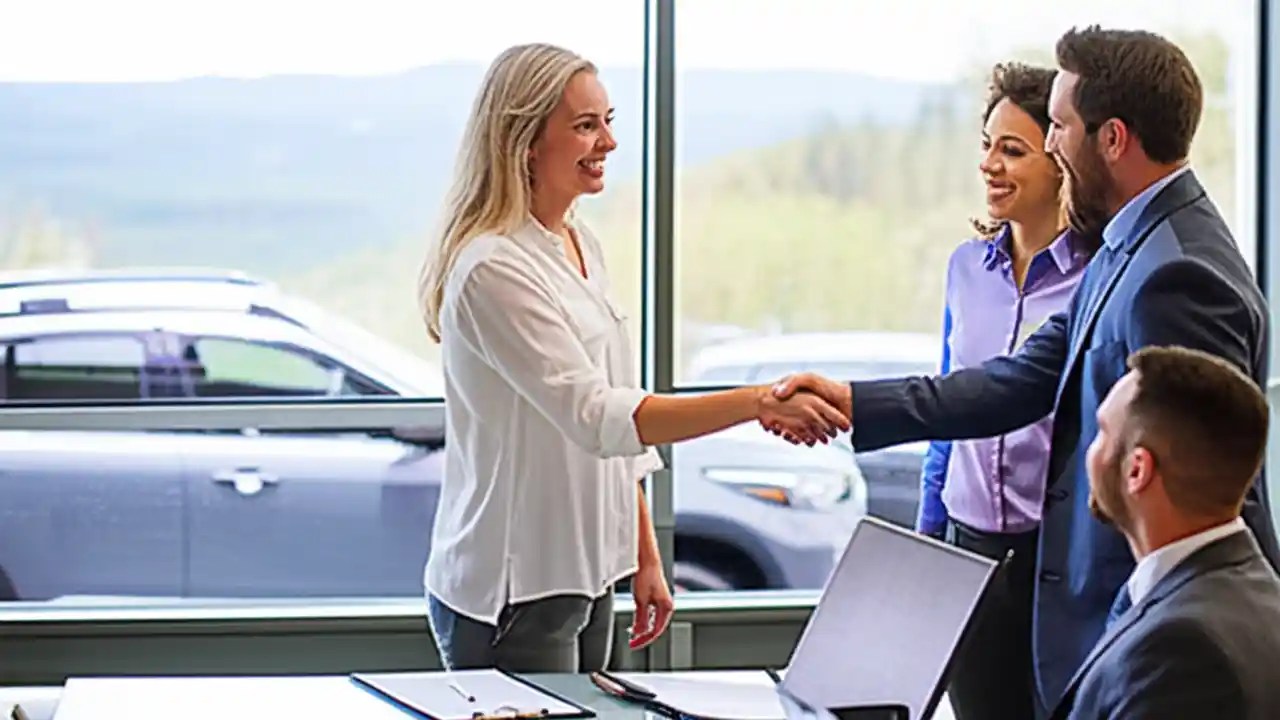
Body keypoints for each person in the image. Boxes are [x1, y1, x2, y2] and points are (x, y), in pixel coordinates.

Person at [772, 25, 1280, 715]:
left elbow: (1196, 482)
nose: (1053, 146)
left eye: (1060, 127)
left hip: (1148, 633)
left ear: (1113, 138)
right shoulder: (1130, 243)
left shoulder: (1179, 271)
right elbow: (1019, 380)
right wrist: (853, 401)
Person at [416, 43, 847, 674]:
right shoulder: (492, 269)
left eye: (608, 121)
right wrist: (756, 403)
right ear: (525, 141)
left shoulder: (576, 240)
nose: (609, 143)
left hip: (589, 575)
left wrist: (643, 555)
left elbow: (616, 412)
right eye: (587, 126)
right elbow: (598, 415)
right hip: (516, 589)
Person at [918, 61, 1096, 720]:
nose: (990, 164)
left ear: (1058, 161)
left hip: (1058, 563)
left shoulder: (1097, 277)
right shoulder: (966, 269)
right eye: (986, 146)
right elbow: (947, 410)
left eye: (1012, 150)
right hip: (969, 554)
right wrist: (930, 542)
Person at [1050, 346, 1280, 718]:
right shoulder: (1252, 589)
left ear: (1137, 470)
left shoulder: (1181, 651)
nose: (1091, 452)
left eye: (1103, 433)